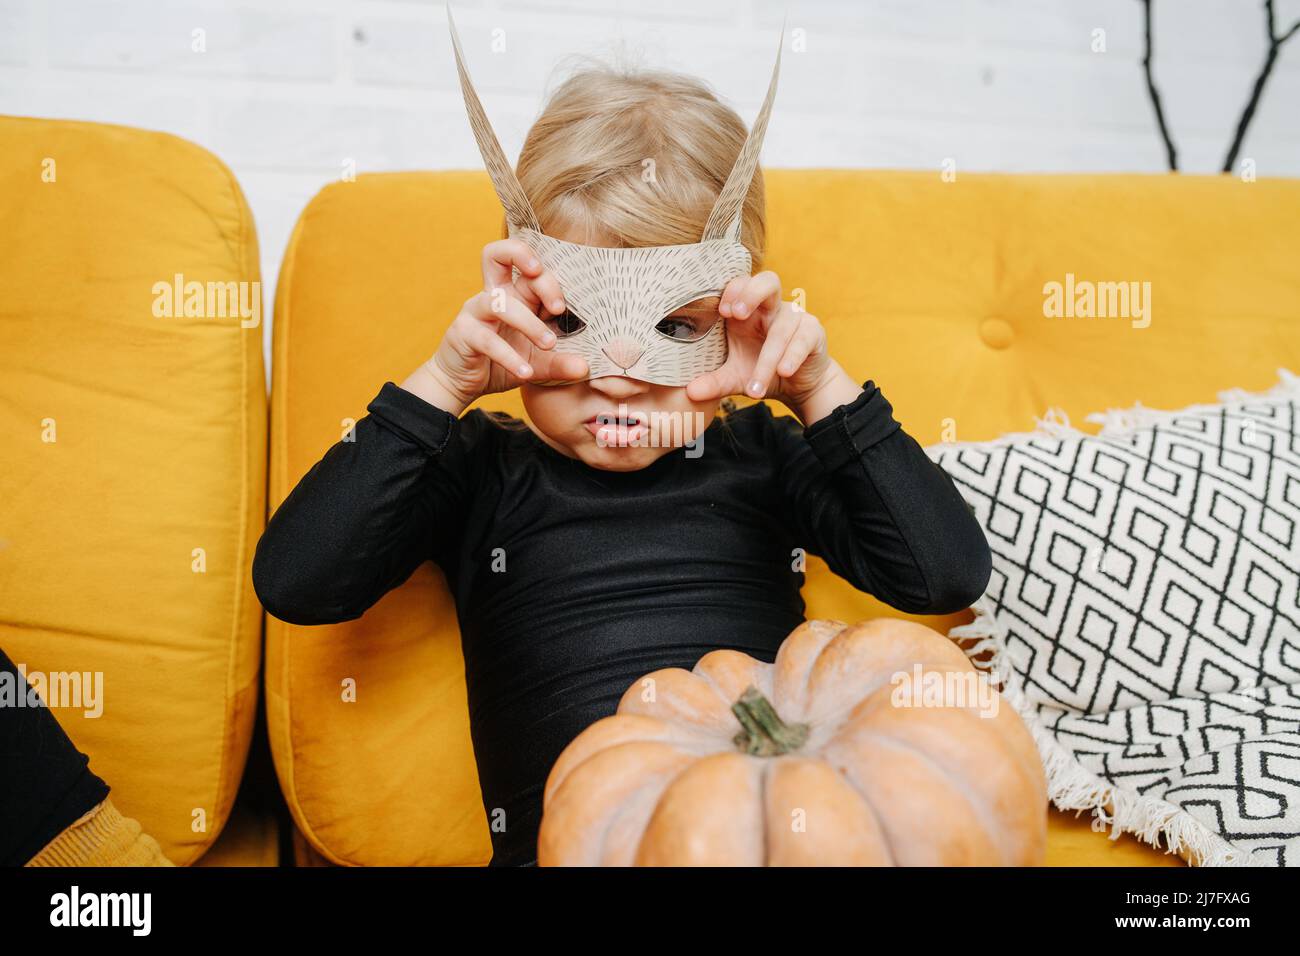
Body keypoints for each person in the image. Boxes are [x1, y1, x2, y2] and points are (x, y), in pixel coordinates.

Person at [251, 60, 992, 867]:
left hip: (771, 838)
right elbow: (298, 581)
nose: (618, 373)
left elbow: (944, 574)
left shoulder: (764, 454)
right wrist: (441, 386)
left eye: (676, 331)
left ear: (738, 313)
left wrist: (818, 391)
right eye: (574, 320)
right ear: (522, 298)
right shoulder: (477, 469)